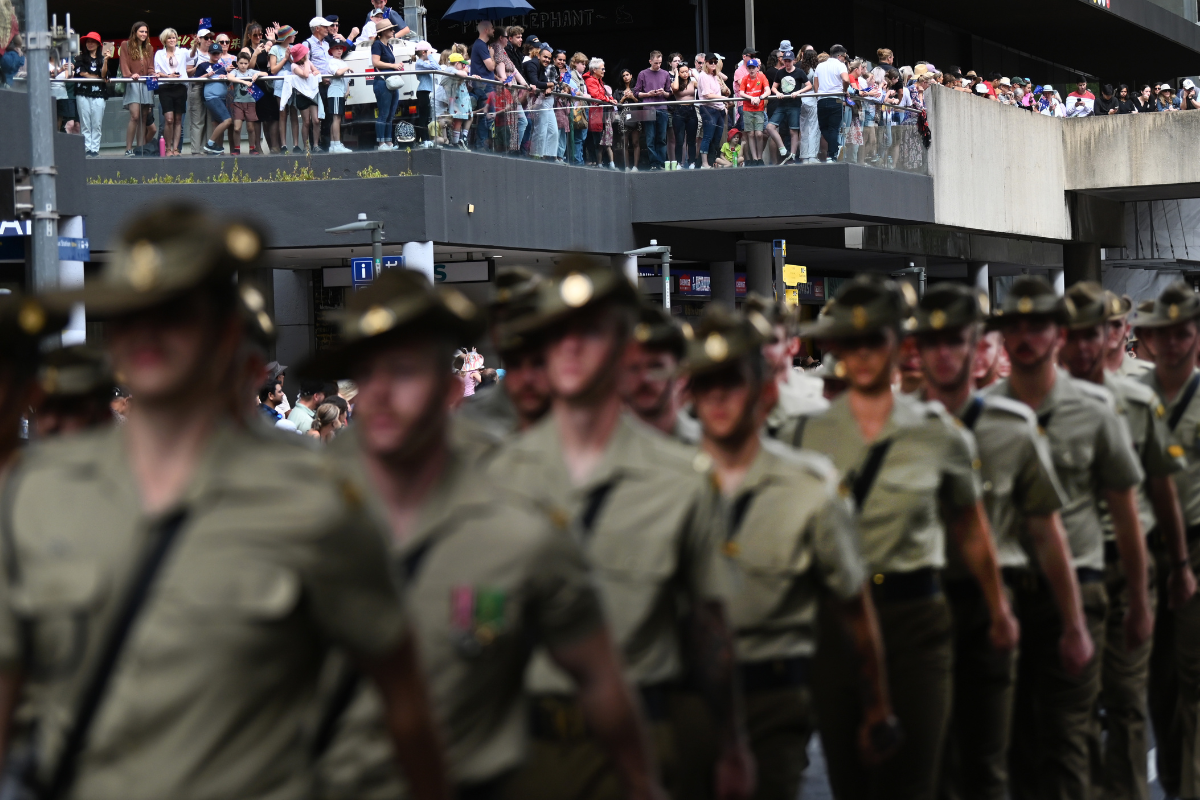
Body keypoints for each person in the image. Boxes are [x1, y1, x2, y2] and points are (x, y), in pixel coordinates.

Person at [0, 205, 452, 800]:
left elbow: (400, 702)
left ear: (226, 335)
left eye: (176, 314)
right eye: (131, 314)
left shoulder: (315, 499)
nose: (148, 333)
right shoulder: (41, 489)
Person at [300, 270, 663, 800]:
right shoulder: (299, 514)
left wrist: (640, 782)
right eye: (364, 371)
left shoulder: (520, 526)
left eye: (403, 371)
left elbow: (599, 677)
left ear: (450, 388)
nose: (378, 392)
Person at [487, 260, 755, 800]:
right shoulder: (495, 477)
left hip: (645, 745)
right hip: (523, 750)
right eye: (554, 331)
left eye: (588, 331)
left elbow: (710, 627)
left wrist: (730, 744)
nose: (568, 346)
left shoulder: (681, 479)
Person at [783, 276, 1016, 800]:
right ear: (836, 347)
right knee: (850, 780)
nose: (864, 354)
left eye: (876, 340)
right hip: (836, 619)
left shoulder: (939, 433)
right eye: (852, 342)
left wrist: (999, 610)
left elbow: (971, 528)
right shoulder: (802, 434)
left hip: (915, 618)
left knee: (914, 781)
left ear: (898, 344)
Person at [685, 306, 898, 800]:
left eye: (732, 381)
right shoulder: (661, 483)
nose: (718, 396)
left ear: (763, 391)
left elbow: (854, 606)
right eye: (705, 381)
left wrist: (876, 706)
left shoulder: (809, 485)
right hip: (683, 696)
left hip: (773, 695)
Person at [911, 283, 1091, 800]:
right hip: (921, 607)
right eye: (932, 343)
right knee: (931, 765)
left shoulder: (1013, 428)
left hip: (992, 608)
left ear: (978, 349)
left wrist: (1074, 624)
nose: (944, 355)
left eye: (956, 342)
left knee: (991, 762)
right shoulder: (899, 431)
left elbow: (1046, 531)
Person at [984, 276, 1151, 800]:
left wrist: (1142, 602)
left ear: (1057, 335)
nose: (1027, 337)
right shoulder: (981, 413)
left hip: (1083, 585)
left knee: (1069, 735)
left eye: (1040, 326)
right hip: (1007, 591)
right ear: (1004, 338)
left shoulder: (1096, 411)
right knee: (1015, 743)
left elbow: (1127, 515)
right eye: (1016, 327)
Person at [1060, 283, 1192, 800]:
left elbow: (1163, 490)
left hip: (1133, 557)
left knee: (1130, 700)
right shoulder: (1041, 402)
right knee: (1074, 709)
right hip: (1070, 567)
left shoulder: (1141, 394)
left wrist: (1175, 565)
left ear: (1122, 332)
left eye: (1106, 327)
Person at [1128, 283, 1200, 800]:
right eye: (1164, 334)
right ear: (1148, 338)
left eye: (1184, 333)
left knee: (1194, 677)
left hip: (1197, 545)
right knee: (1158, 680)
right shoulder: (1131, 397)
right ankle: (1175, 782)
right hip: (1141, 548)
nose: (1173, 343)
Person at [456, 268, 551, 461]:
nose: (510, 328)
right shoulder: (472, 415)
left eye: (522, 315)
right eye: (501, 320)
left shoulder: (580, 406)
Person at [620, 302, 697, 442]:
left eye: (656, 366)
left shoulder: (707, 447)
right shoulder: (597, 450)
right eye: (633, 368)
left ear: (682, 375)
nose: (644, 378)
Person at [118, 21, 154, 157]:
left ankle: (140, 148)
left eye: (146, 32)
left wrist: (152, 73)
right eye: (141, 31)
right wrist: (129, 75)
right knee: (135, 116)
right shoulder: (125, 45)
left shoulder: (149, 47)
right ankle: (128, 148)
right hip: (133, 82)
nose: (144, 34)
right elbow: (124, 64)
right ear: (135, 32)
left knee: (144, 117)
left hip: (146, 82)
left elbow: (150, 66)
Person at [766, 49, 806, 165]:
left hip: (794, 105)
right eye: (785, 61)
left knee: (793, 130)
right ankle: (783, 150)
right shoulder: (780, 72)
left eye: (789, 61)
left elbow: (808, 85)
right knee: (770, 127)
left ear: (793, 60)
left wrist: (798, 92)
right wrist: (777, 93)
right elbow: (773, 87)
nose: (787, 63)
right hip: (782, 105)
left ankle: (792, 156)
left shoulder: (799, 72)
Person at [194, 42, 234, 155]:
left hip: (222, 98)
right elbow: (195, 81)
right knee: (227, 121)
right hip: (211, 97)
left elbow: (228, 83)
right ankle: (210, 144)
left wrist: (225, 76)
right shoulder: (203, 65)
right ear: (209, 53)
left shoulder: (223, 68)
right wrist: (207, 75)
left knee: (218, 123)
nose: (216, 55)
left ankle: (216, 149)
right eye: (214, 53)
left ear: (221, 54)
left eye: (218, 53)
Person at [633, 51, 672, 170]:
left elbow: (669, 93)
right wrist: (647, 94)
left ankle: (660, 162)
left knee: (662, 138)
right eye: (656, 63)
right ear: (650, 61)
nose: (658, 65)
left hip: (662, 108)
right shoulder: (643, 73)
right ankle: (654, 163)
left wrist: (663, 92)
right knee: (650, 138)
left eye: (660, 63)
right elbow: (636, 92)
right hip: (648, 108)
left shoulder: (665, 74)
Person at [73, 32, 107, 157]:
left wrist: (106, 60)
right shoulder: (80, 58)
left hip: (99, 93)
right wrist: (96, 77)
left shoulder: (103, 58)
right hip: (82, 92)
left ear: (98, 44)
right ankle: (87, 149)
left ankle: (95, 150)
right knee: (85, 123)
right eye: (88, 41)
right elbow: (82, 73)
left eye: (93, 41)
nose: (90, 44)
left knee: (96, 123)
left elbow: (105, 75)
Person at [814, 44, 849, 161]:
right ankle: (834, 152)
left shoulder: (820, 65)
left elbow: (815, 85)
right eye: (844, 57)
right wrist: (844, 90)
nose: (845, 59)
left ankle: (833, 151)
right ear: (839, 56)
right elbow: (846, 79)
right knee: (833, 128)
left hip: (822, 99)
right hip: (836, 99)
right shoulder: (840, 65)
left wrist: (819, 95)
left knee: (823, 128)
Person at [303, 17, 333, 152]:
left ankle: (326, 144)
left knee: (329, 115)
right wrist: (320, 78)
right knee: (315, 118)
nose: (328, 29)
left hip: (330, 85)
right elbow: (305, 65)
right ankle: (314, 145)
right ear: (317, 29)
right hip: (316, 86)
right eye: (325, 27)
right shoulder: (307, 44)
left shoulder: (327, 44)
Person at [267, 25, 299, 153]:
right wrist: (285, 58)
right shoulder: (275, 49)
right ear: (287, 37)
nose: (295, 36)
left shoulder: (293, 48)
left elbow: (298, 64)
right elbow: (273, 70)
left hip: (293, 82)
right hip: (280, 83)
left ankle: (296, 145)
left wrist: (291, 58)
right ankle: (284, 145)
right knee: (282, 113)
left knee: (294, 113)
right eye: (292, 34)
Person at [523, 44, 557, 160]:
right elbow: (535, 82)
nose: (547, 60)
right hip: (525, 98)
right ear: (538, 55)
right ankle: (536, 155)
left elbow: (544, 82)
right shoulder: (533, 64)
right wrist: (551, 84)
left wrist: (549, 86)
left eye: (549, 58)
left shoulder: (542, 67)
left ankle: (549, 156)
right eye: (545, 57)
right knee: (540, 129)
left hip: (538, 100)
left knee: (554, 131)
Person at [227, 50, 263, 155]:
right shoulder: (235, 72)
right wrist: (243, 81)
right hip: (238, 102)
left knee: (251, 128)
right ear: (237, 63)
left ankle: (252, 148)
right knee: (237, 127)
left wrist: (257, 74)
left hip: (250, 102)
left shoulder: (251, 71)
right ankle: (237, 148)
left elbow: (265, 73)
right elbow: (230, 77)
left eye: (245, 63)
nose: (243, 66)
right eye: (241, 63)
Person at [736, 58, 770, 165]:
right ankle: (755, 158)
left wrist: (760, 97)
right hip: (747, 109)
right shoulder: (745, 78)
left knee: (759, 134)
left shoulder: (762, 76)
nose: (751, 70)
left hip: (759, 108)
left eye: (753, 68)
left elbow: (768, 90)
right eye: (749, 68)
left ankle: (760, 157)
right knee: (750, 134)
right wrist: (751, 97)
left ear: (757, 68)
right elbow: (741, 92)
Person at [696, 54, 727, 169]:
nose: (713, 64)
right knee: (708, 136)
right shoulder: (703, 75)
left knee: (717, 137)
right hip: (708, 108)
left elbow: (725, 79)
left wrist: (723, 105)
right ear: (706, 63)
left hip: (719, 109)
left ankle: (712, 160)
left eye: (715, 61)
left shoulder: (714, 75)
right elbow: (707, 94)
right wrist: (723, 99)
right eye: (711, 62)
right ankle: (704, 163)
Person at [469, 21, 497, 149]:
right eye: (491, 28)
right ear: (486, 30)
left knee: (486, 116)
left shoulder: (479, 45)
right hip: (485, 86)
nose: (493, 30)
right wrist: (492, 55)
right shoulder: (480, 45)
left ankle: (483, 145)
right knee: (487, 116)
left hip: (484, 85)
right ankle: (483, 146)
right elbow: (490, 66)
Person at [668, 62, 697, 168]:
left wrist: (694, 74)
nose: (685, 74)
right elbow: (675, 88)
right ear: (679, 73)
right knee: (679, 139)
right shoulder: (674, 82)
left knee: (691, 139)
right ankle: (679, 162)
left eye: (686, 71)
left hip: (691, 110)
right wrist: (676, 74)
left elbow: (702, 86)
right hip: (679, 111)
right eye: (682, 72)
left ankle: (692, 161)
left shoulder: (692, 82)